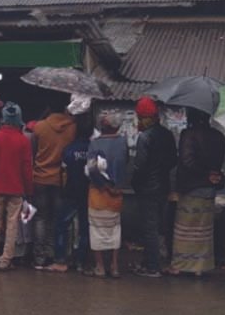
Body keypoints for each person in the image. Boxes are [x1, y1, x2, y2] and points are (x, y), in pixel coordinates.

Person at [167, 108, 225, 277]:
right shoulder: (219, 136)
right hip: (209, 189)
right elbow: (219, 161)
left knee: (185, 229)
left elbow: (186, 161)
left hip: (191, 188)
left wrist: (204, 173)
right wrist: (212, 173)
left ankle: (180, 265)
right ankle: (200, 267)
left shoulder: (188, 134)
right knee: (203, 230)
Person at [0, 103, 32, 271]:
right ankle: (6, 260)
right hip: (16, 189)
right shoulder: (23, 141)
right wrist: (28, 189)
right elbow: (27, 168)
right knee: (12, 225)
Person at [131, 97, 177, 278]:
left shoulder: (145, 137)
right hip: (163, 186)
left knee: (149, 228)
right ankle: (148, 262)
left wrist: (136, 183)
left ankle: (153, 267)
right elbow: (173, 160)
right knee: (158, 226)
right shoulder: (167, 134)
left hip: (148, 189)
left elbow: (140, 165)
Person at [31, 101, 76, 268]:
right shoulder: (72, 127)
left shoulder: (39, 127)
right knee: (58, 218)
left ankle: (39, 258)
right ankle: (54, 253)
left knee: (41, 217)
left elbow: (33, 151)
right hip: (60, 179)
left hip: (40, 178)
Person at [84, 111, 128, 278]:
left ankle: (100, 266)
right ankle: (115, 266)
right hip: (117, 194)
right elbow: (125, 164)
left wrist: (104, 186)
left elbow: (92, 168)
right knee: (115, 229)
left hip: (98, 193)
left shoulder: (94, 144)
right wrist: (115, 186)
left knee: (96, 230)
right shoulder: (123, 143)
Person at [46, 119, 92, 273]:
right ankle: (80, 261)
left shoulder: (69, 150)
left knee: (62, 225)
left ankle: (60, 260)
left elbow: (63, 173)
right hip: (88, 193)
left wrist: (62, 188)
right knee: (85, 227)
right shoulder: (93, 149)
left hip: (70, 192)